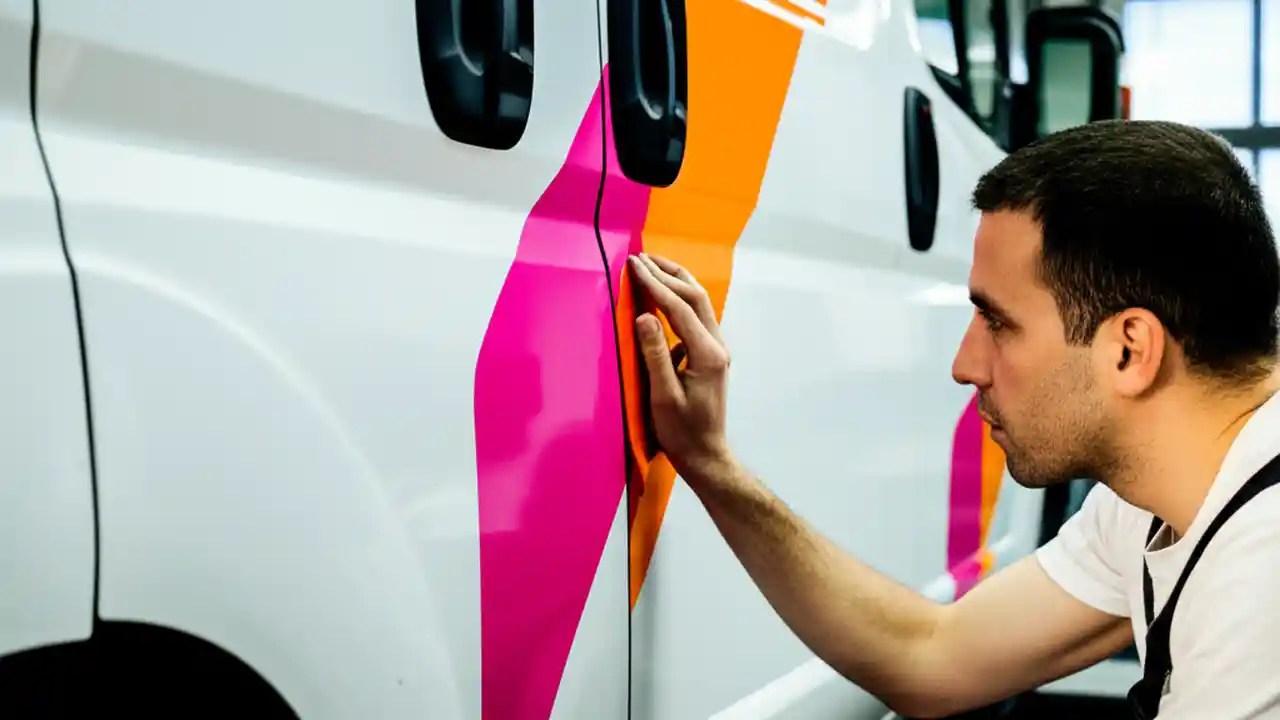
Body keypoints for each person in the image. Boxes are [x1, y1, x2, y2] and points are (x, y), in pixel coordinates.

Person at [625, 119, 1280, 719]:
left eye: (998, 322)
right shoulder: (1154, 500)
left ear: (1129, 350)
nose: (965, 365)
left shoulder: (1263, 574)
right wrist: (711, 464)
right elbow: (931, 655)